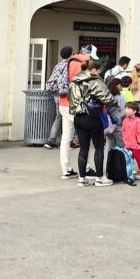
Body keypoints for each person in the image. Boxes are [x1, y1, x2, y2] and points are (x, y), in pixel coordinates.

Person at [68, 58, 115, 187]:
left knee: (83, 148)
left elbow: (69, 97)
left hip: (78, 118)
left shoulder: (74, 81)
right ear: (95, 69)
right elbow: (108, 98)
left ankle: (81, 179)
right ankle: (100, 178)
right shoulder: (95, 81)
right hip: (92, 118)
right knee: (99, 147)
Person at [58, 45, 94, 179]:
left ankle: (66, 169)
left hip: (62, 103)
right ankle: (87, 167)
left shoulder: (62, 64)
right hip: (74, 104)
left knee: (66, 138)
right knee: (86, 133)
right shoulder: (79, 64)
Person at [44, 46, 74, 149]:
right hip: (66, 97)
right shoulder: (70, 65)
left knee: (58, 117)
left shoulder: (58, 65)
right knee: (71, 119)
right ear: (71, 54)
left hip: (57, 96)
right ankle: (70, 141)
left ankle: (51, 140)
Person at [122, 102, 140, 179]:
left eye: (128, 109)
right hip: (128, 144)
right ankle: (130, 170)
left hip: (136, 144)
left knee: (137, 157)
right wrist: (125, 141)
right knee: (129, 158)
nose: (126, 110)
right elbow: (124, 131)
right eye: (126, 108)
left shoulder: (138, 121)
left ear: (134, 111)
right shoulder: (125, 120)